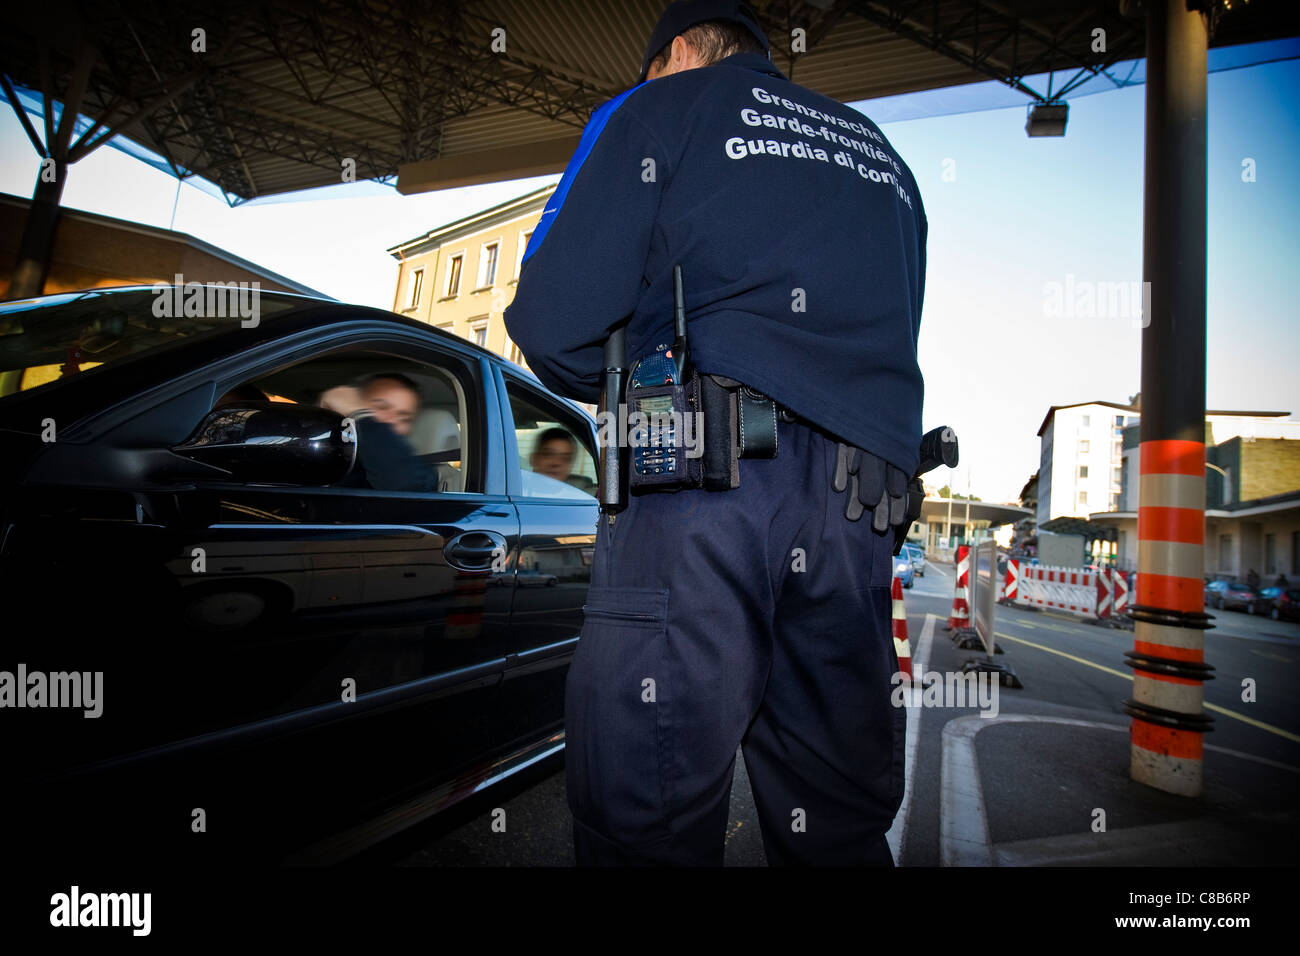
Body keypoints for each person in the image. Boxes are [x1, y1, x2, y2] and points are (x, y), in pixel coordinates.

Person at [504, 0, 926, 866]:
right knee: (836, 815)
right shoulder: (880, 154)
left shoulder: (658, 108)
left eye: (650, 67)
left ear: (683, 51)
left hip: (701, 489)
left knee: (646, 810)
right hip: (858, 509)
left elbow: (549, 319)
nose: (644, 83)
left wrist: (629, 387)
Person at [319, 372, 442, 492]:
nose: (390, 421)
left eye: (404, 418)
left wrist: (361, 416)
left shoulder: (418, 473)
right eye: (381, 407)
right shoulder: (323, 455)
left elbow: (405, 485)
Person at [530, 427, 596, 493]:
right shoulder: (521, 493)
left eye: (565, 458)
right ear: (534, 459)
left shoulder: (580, 498)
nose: (556, 462)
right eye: (548, 454)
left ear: (571, 465)